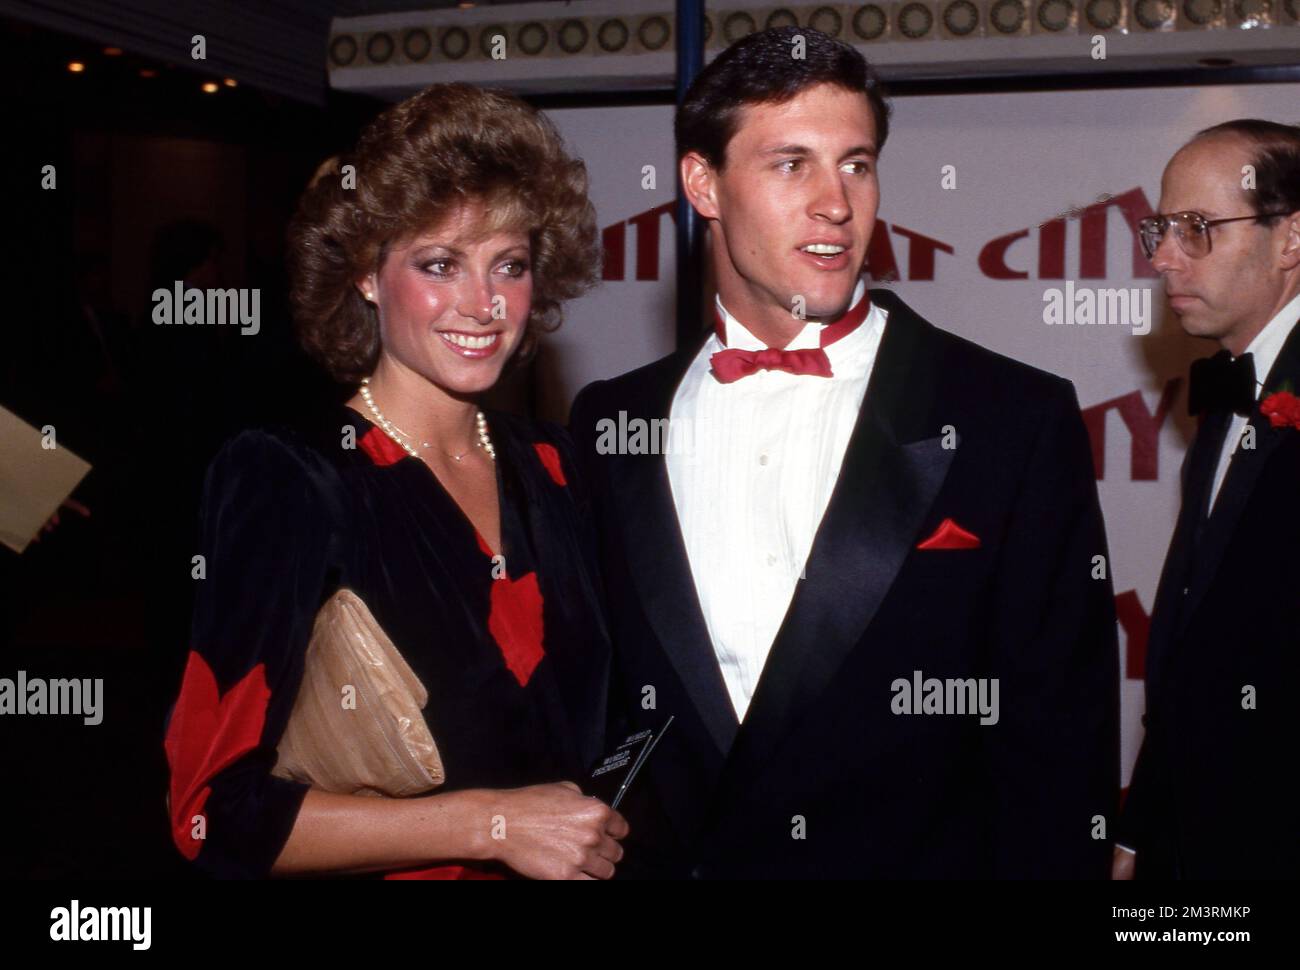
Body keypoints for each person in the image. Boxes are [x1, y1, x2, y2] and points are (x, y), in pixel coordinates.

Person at [570, 27, 1118, 879]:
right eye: (792, 164)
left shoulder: (1013, 417)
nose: (836, 202)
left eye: (856, 164)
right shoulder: (608, 423)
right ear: (701, 184)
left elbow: (1059, 742)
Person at [163, 83, 628, 879]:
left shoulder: (555, 466)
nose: (483, 305)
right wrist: (492, 825)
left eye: (508, 266)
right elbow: (211, 814)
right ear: (367, 276)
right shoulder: (293, 477)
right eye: (440, 264)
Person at [1114, 119, 1300, 880]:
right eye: (1160, 229)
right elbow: (1192, 653)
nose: (1161, 257)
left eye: (1197, 229)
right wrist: (1137, 832)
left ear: (1290, 239)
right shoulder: (1225, 393)